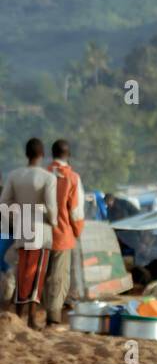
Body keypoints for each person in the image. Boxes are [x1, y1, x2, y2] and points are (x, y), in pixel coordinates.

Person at [0, 138, 58, 328]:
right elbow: (51, 205)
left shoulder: (14, 175)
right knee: (37, 271)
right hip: (40, 226)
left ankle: (18, 313)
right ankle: (32, 317)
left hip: (21, 224)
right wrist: (54, 222)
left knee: (22, 270)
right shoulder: (48, 177)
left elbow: (4, 203)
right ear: (42, 154)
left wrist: (14, 220)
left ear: (26, 154)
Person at [43, 139, 84, 328]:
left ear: (51, 154)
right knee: (59, 276)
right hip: (62, 234)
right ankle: (53, 317)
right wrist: (77, 230)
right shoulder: (72, 177)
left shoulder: (42, 173)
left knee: (42, 273)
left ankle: (36, 312)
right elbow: (75, 210)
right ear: (69, 155)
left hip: (39, 233)